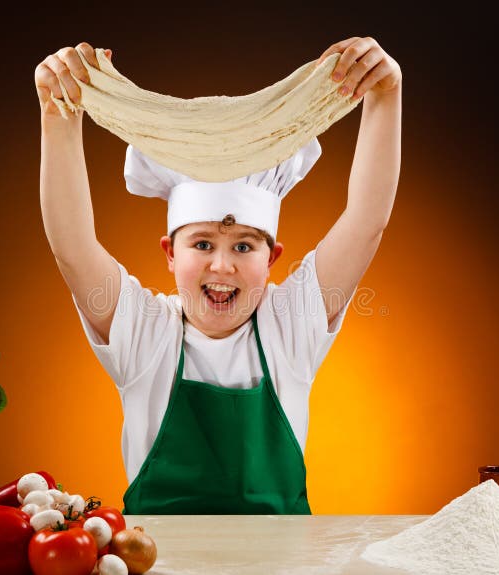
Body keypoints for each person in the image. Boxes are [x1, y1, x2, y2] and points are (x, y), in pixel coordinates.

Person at [35, 36, 402, 514]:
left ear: (271, 261)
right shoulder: (146, 332)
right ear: (170, 253)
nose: (221, 265)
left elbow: (366, 221)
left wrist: (384, 96)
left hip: (281, 564)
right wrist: (57, 116)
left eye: (244, 246)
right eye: (202, 244)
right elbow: (73, 247)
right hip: (160, 561)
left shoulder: (288, 325)